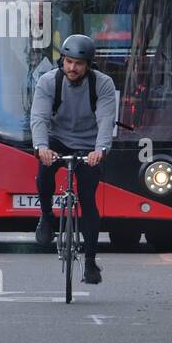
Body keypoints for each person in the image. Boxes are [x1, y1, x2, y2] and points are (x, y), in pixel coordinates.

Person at [29, 34, 118, 285]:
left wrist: (100, 149)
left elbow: (105, 119)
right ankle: (47, 216)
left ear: (88, 64)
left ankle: (90, 263)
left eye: (78, 63)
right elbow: (39, 117)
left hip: (89, 145)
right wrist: (41, 147)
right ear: (62, 61)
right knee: (44, 174)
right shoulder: (48, 82)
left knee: (88, 201)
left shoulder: (103, 84)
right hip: (57, 140)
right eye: (68, 62)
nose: (72, 68)